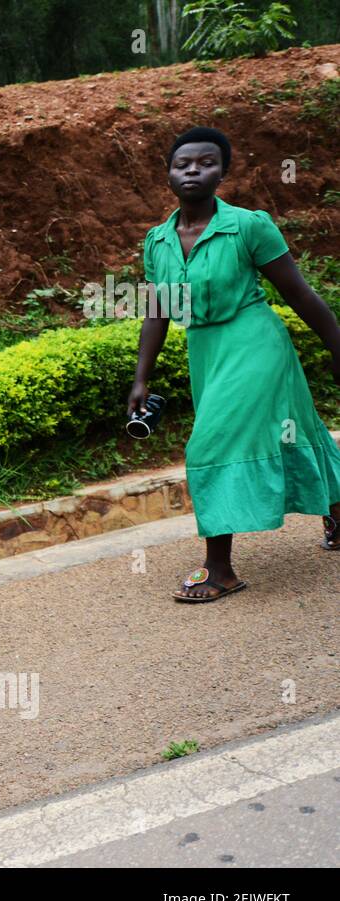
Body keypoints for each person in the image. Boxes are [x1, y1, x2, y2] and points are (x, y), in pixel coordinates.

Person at [129, 127, 340, 603]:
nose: (192, 171)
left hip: (255, 344)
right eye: (182, 164)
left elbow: (299, 293)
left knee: (208, 444)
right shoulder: (158, 240)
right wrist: (141, 378)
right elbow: (157, 312)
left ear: (222, 172)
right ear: (168, 173)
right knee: (300, 429)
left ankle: (219, 569)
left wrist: (336, 345)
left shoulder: (249, 225)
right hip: (206, 352)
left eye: (205, 163)